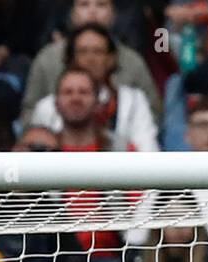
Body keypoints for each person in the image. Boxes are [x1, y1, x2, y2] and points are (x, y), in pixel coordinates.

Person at [22, 0, 162, 126]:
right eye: (84, 5)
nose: (92, 11)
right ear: (72, 14)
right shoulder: (47, 58)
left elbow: (154, 113)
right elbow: (29, 111)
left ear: (113, 14)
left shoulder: (133, 61)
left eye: (101, 5)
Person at [28, 24, 158, 152]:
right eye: (83, 51)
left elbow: (148, 153)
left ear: (111, 58)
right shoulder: (45, 106)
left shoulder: (134, 100)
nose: (90, 59)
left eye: (98, 51)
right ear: (71, 57)